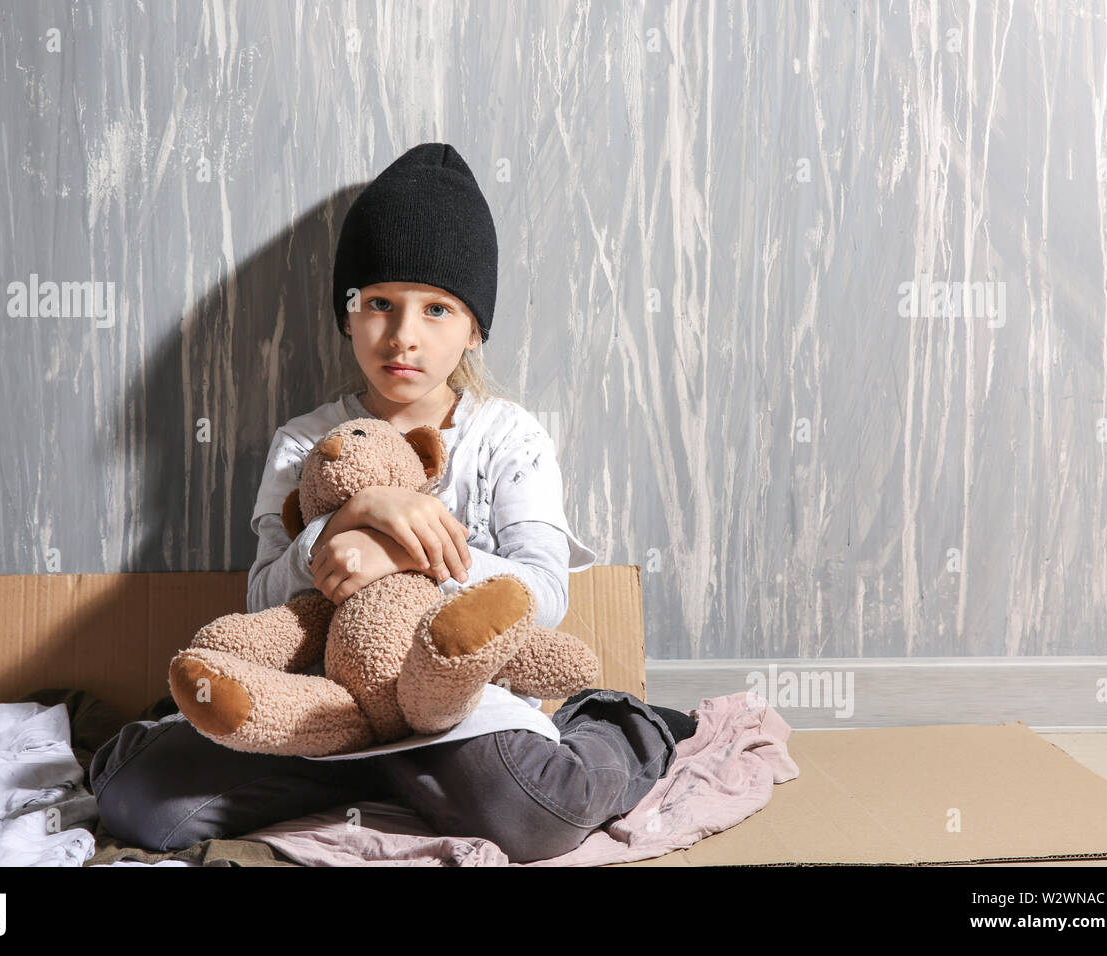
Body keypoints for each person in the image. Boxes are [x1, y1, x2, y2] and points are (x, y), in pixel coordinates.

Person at [89, 143, 696, 863]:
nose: (403, 335)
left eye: (437, 309)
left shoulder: (509, 438)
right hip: (323, 705)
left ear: (473, 328)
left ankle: (619, 727)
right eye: (378, 303)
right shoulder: (306, 442)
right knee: (139, 806)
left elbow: (545, 594)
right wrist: (344, 520)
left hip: (457, 712)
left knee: (533, 816)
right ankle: (376, 778)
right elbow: (259, 602)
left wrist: (398, 555)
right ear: (348, 315)